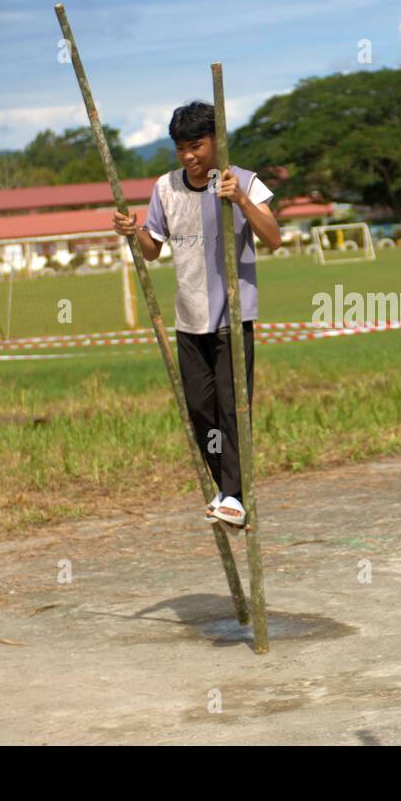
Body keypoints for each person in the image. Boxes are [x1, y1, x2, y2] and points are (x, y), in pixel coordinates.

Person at [112, 101, 282, 527]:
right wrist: (135, 234)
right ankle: (224, 490)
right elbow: (153, 250)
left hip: (233, 317)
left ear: (215, 141)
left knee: (232, 408)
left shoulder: (243, 181)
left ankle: (235, 496)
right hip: (189, 319)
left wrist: (240, 199)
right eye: (181, 148)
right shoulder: (165, 188)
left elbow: (274, 237)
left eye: (197, 145)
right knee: (200, 409)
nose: (190, 156)